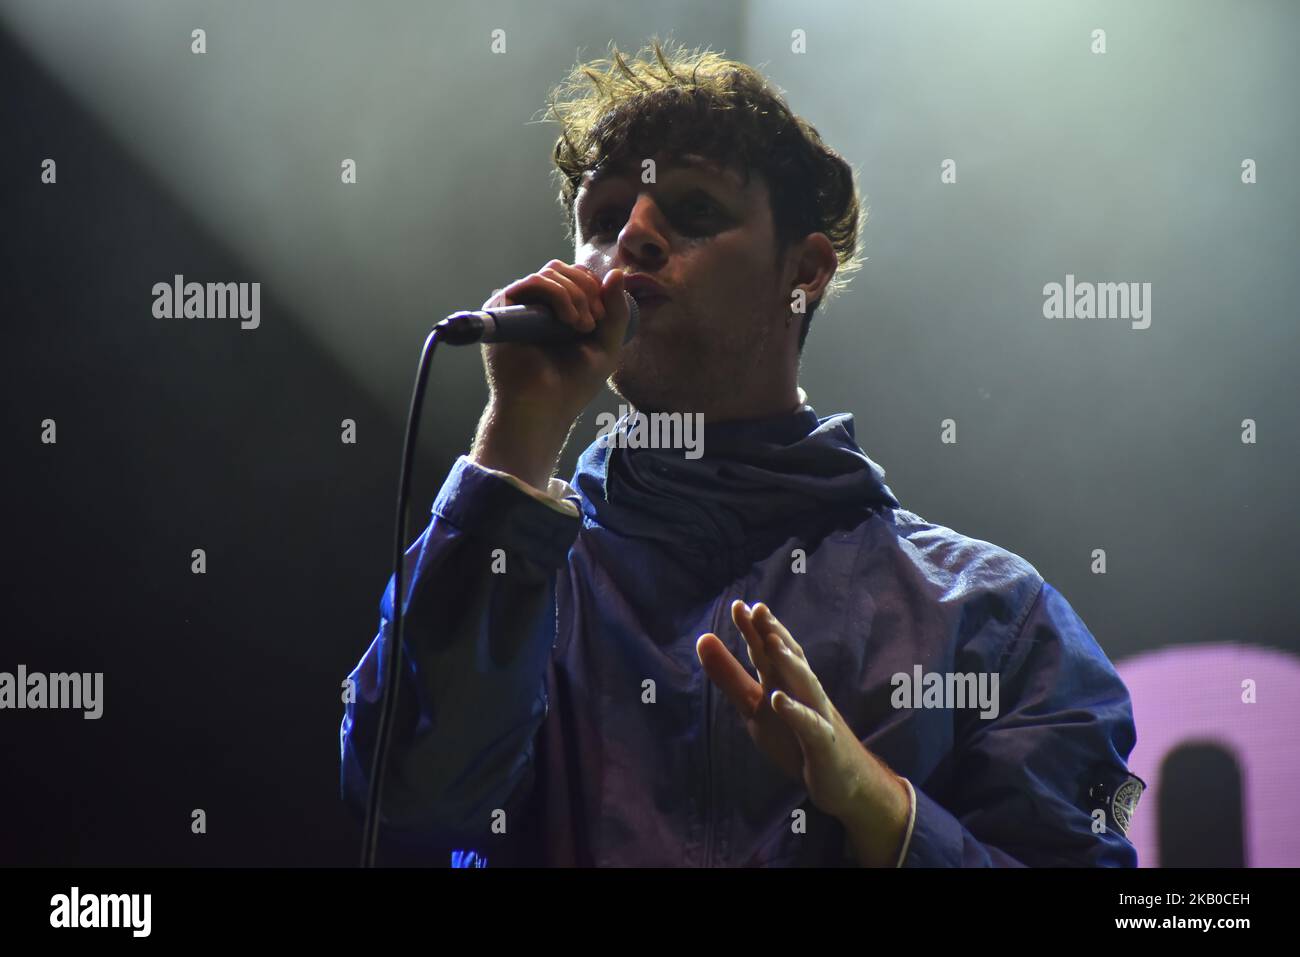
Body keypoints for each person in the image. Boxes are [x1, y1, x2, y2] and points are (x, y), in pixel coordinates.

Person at [339, 39, 1144, 867]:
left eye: (692, 212)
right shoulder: (518, 578)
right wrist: (518, 431)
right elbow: (406, 804)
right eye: (605, 218)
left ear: (804, 270)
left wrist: (878, 805)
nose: (634, 238)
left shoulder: (996, 621)